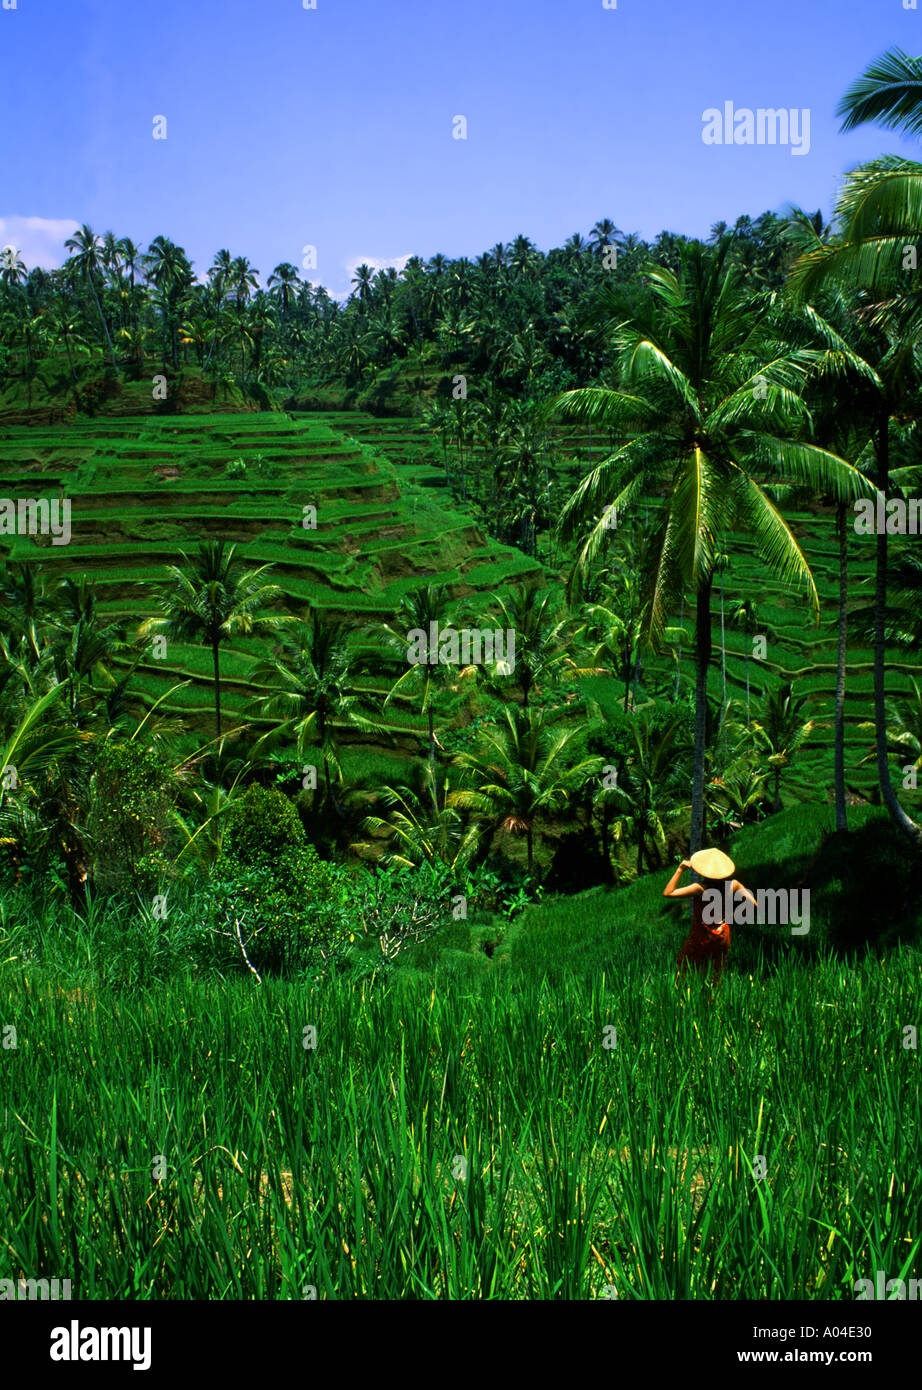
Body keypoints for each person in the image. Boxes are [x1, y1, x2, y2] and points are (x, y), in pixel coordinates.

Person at [663, 847, 757, 982]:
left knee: (685, 969)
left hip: (702, 934)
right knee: (715, 973)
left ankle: (683, 1001)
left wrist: (680, 870)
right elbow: (753, 903)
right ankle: (713, 1000)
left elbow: (668, 892)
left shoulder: (700, 888)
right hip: (723, 933)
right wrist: (731, 916)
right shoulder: (734, 885)